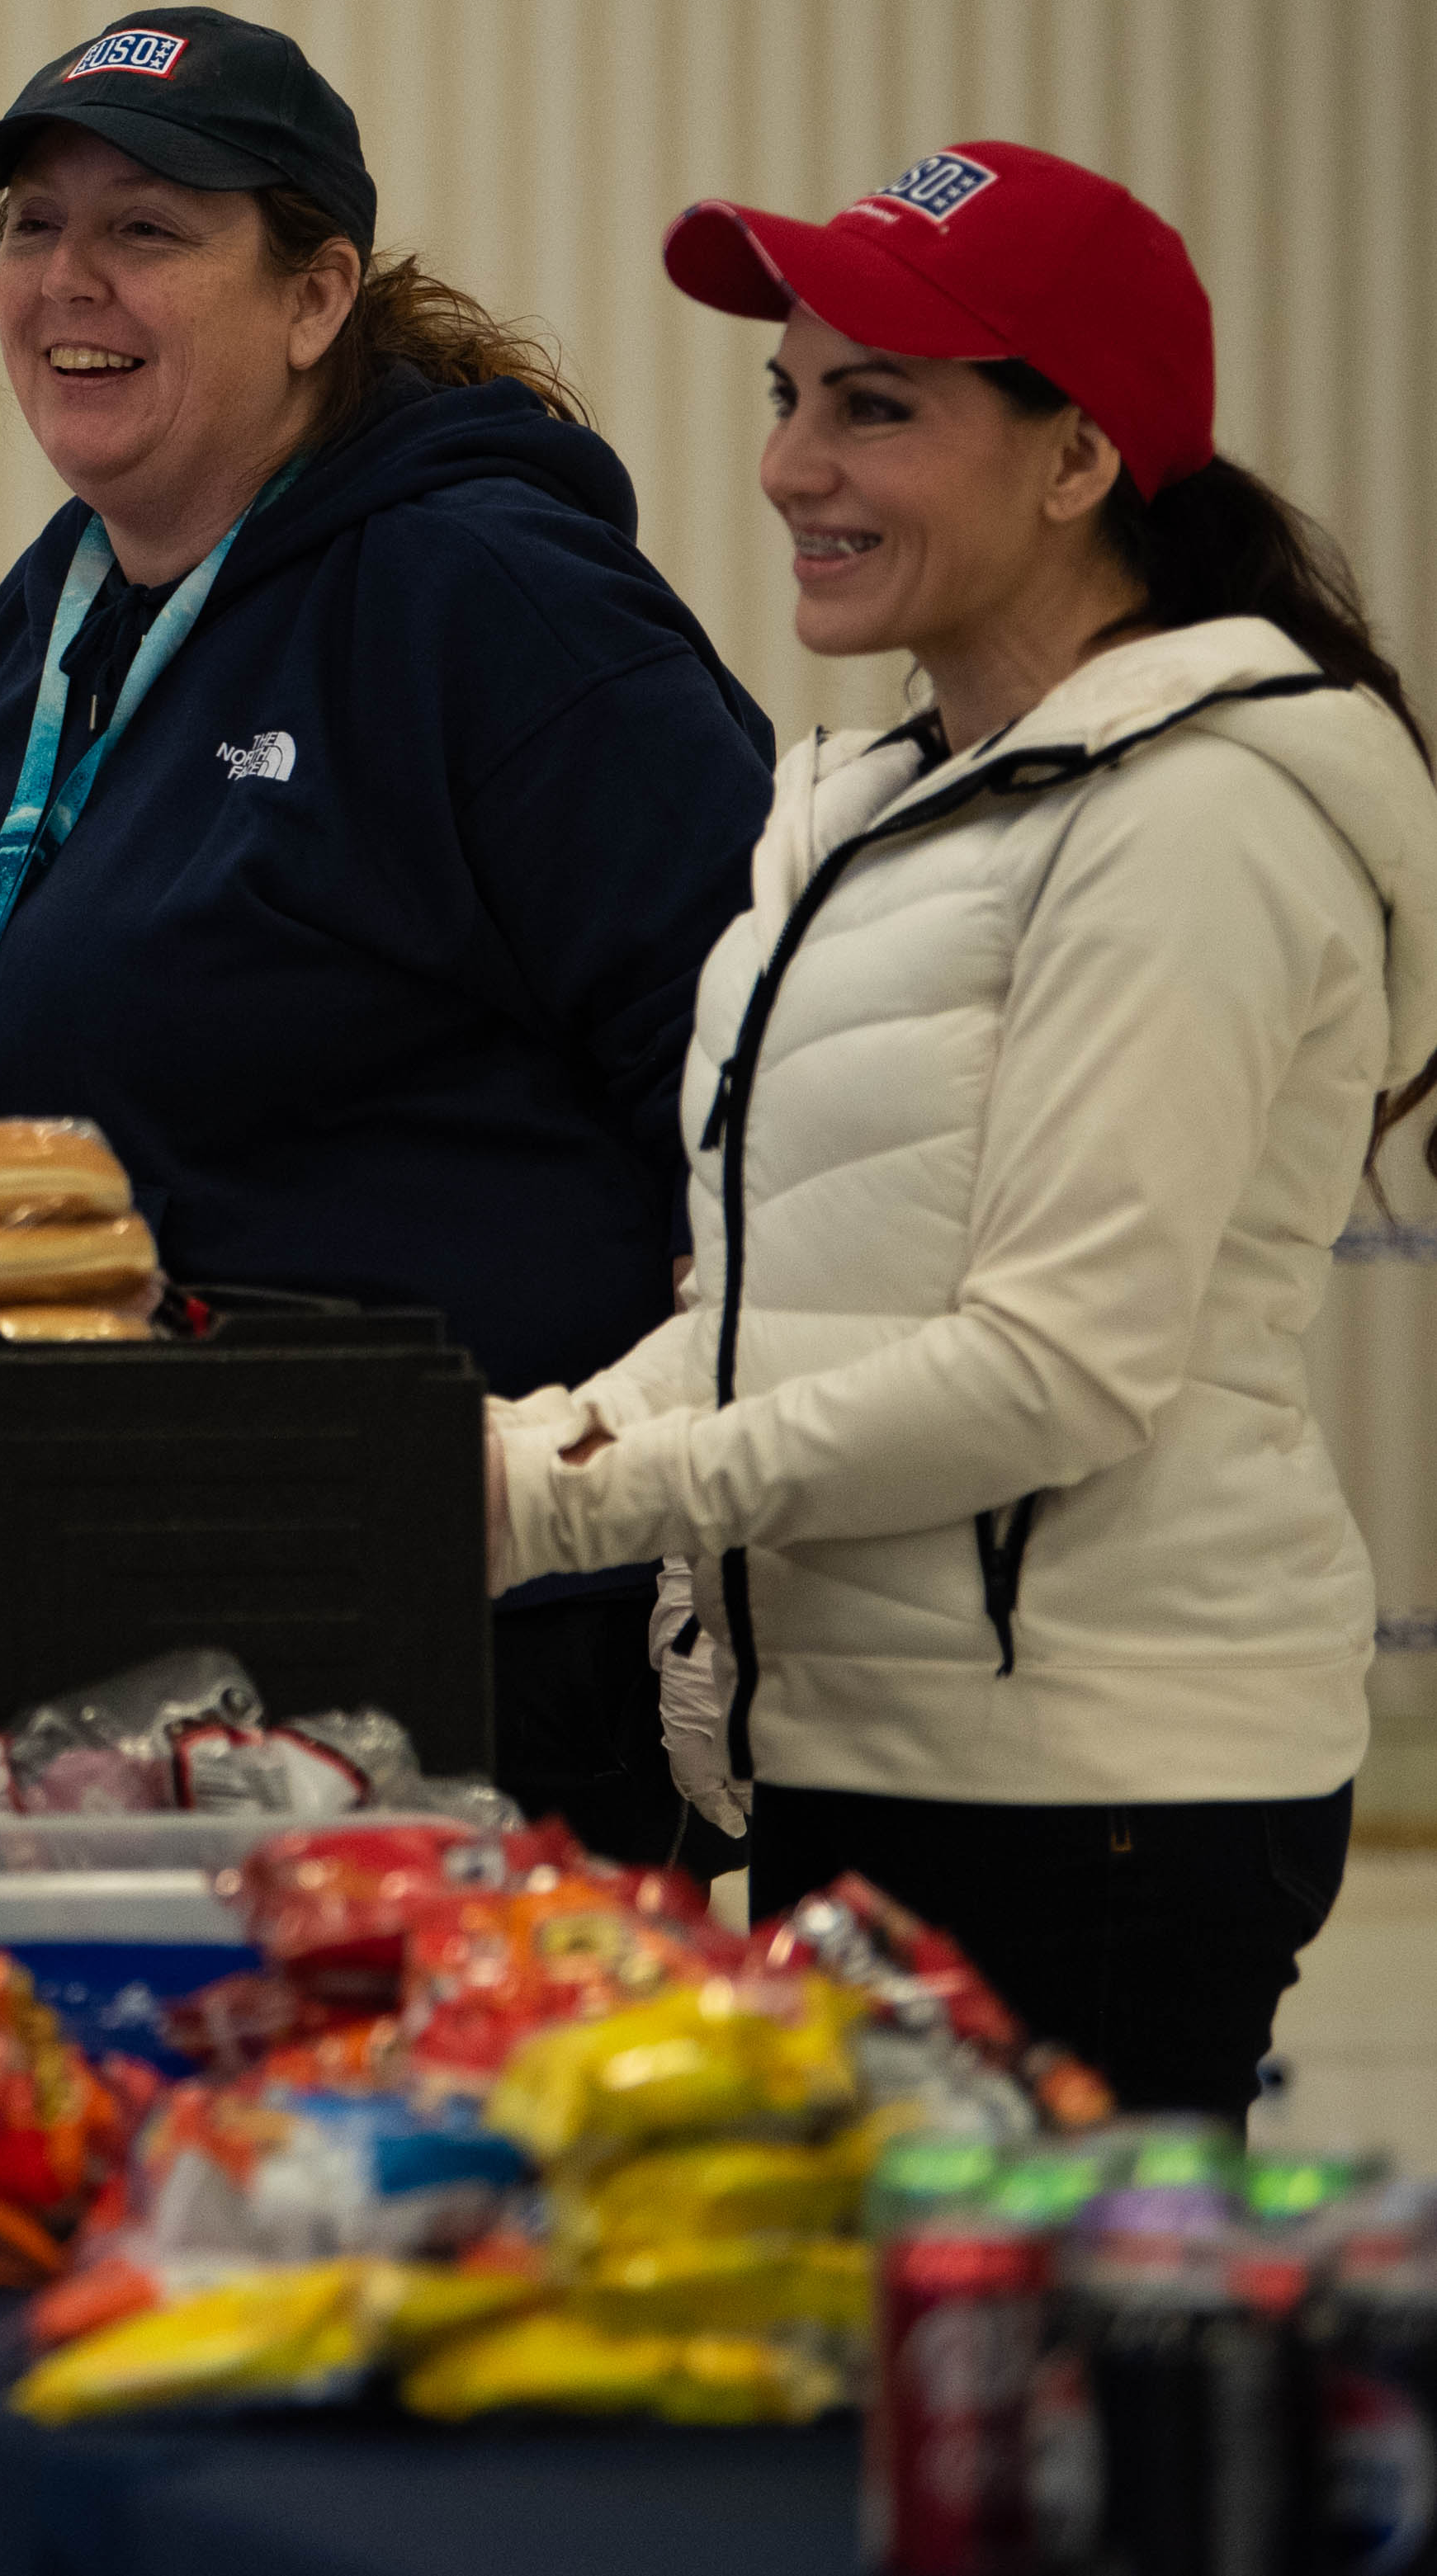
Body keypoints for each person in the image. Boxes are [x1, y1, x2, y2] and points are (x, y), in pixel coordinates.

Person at [489, 144, 1413, 2119]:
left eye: (876, 406)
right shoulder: (883, 806)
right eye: (788, 396)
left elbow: (1052, 1366)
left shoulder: (1195, 820)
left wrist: (569, 1507)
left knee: (1037, 2410)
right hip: (868, 1746)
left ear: (1076, 458)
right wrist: (539, 1434)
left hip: (1097, 1792)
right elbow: (799, 1298)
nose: (792, 466)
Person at [0, 7, 775, 1861]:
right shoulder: (68, 607)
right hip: (103, 1627)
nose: (64, 279)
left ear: (317, 295)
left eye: (147, 230)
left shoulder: (481, 596)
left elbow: (765, 1078)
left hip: (451, 1661)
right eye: (31, 227)